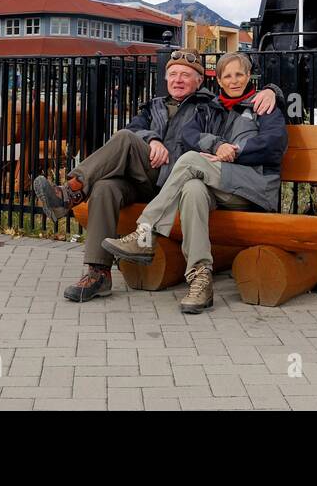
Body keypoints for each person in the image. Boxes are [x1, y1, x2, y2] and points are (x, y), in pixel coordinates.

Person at [33, 49, 281, 303]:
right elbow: (138, 130)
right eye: (173, 74)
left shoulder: (207, 105)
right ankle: (98, 272)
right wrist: (152, 140)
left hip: (181, 177)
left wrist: (272, 90)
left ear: (201, 80)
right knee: (106, 186)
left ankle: (74, 194)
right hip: (152, 178)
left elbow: (256, 129)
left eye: (186, 74)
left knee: (145, 148)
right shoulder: (154, 106)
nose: (178, 79)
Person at [101, 51, 287, 314]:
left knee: (189, 161)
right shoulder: (209, 109)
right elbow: (189, 134)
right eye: (227, 76)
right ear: (219, 81)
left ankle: (145, 233)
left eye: (239, 74)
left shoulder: (263, 106)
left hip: (252, 188)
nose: (234, 81)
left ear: (248, 77)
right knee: (192, 189)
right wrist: (217, 144)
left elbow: (274, 145)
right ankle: (200, 278)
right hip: (218, 187)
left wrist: (236, 150)